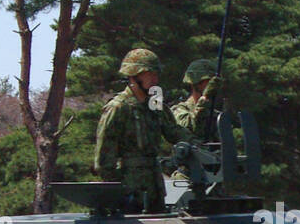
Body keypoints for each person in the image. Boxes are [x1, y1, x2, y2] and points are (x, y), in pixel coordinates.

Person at [94, 48, 193, 212]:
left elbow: (174, 131)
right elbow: (104, 159)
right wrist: (117, 192)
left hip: (155, 187)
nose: (155, 79)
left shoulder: (155, 105)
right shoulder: (118, 108)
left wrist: (200, 146)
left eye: (156, 74)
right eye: (150, 74)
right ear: (134, 75)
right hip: (129, 189)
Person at [171, 58, 222, 135]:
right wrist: (205, 97)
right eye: (208, 81)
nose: (212, 85)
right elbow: (189, 128)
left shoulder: (216, 115)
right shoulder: (179, 110)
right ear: (196, 82)